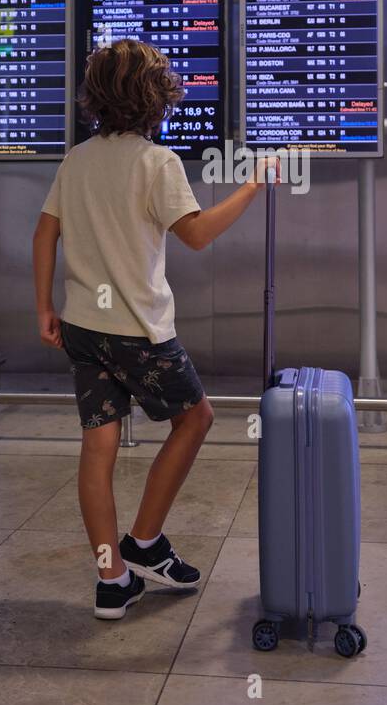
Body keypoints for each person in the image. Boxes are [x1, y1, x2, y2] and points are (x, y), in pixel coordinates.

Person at [32, 39, 271, 619]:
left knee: (99, 445)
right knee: (196, 418)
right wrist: (253, 184)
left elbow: (44, 234)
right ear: (156, 99)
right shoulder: (157, 162)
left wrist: (44, 308)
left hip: (83, 327)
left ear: (96, 97)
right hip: (139, 332)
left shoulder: (76, 159)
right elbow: (196, 234)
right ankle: (144, 541)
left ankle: (111, 578)